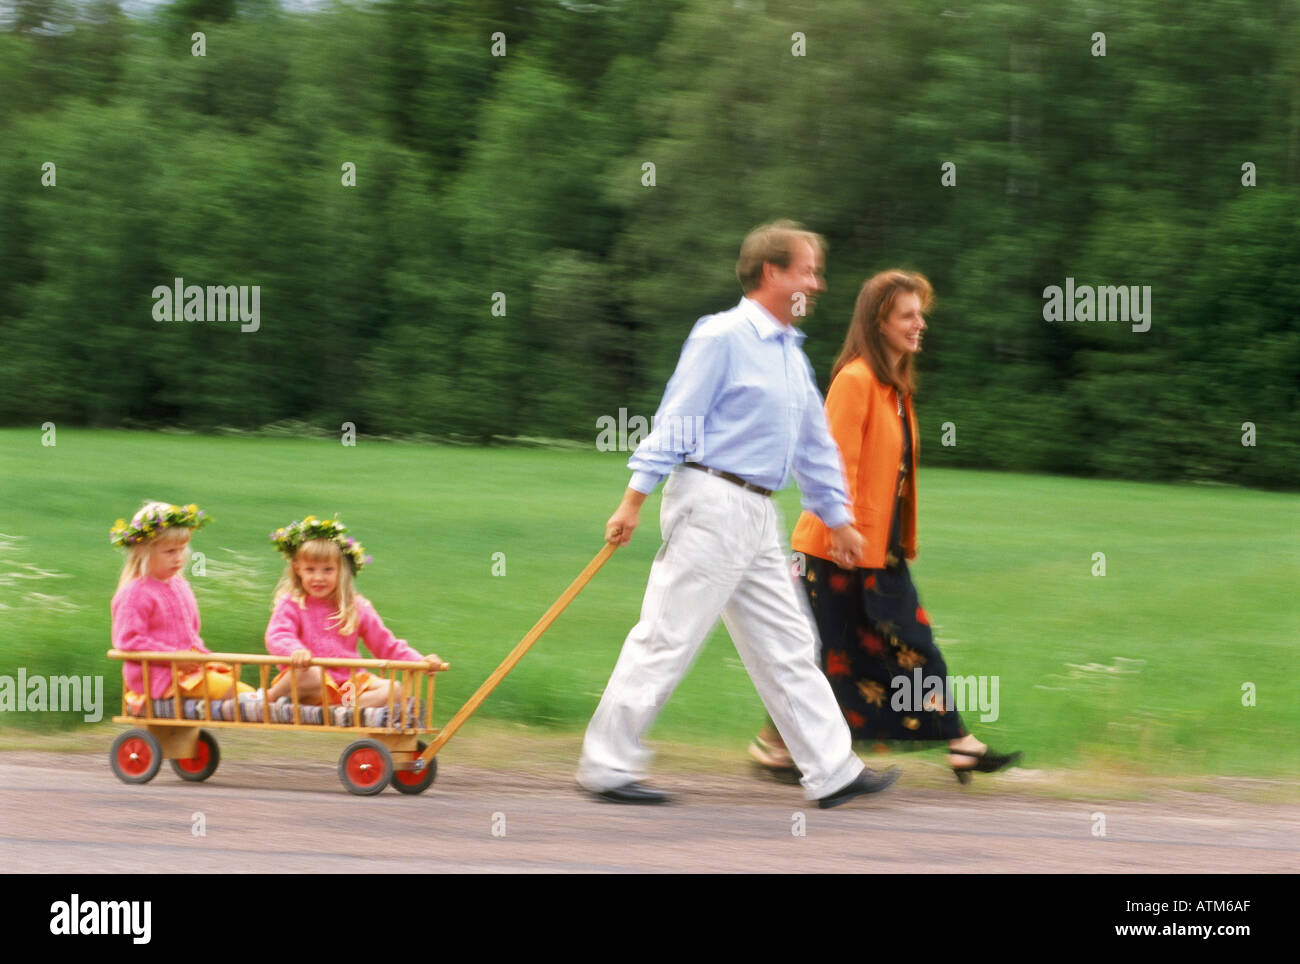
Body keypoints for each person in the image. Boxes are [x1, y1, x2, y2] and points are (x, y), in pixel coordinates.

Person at [576, 221, 901, 807]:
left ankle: (832, 771)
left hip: (757, 515)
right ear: (772, 272)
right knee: (668, 636)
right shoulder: (721, 336)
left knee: (789, 641)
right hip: (709, 503)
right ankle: (606, 766)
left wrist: (839, 518)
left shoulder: (790, 355)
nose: (818, 283)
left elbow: (814, 447)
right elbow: (678, 419)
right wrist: (634, 498)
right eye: (809, 270)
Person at [751, 270, 1021, 784]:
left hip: (881, 551)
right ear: (880, 322)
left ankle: (956, 741)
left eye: (921, 314)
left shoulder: (894, 387)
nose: (920, 324)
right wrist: (842, 529)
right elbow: (833, 464)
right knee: (829, 654)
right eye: (908, 315)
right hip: (838, 548)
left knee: (872, 648)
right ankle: (779, 746)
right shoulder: (854, 380)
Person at [265, 516, 443, 709]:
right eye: (310, 569)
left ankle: (342, 708)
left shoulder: (355, 606)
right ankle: (269, 697)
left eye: (328, 570)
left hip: (348, 685)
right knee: (310, 673)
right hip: (310, 687)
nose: (318, 577)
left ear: (341, 570)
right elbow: (277, 634)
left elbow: (385, 644)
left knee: (395, 689)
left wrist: (419, 661)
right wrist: (295, 650)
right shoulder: (292, 603)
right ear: (297, 569)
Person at [111, 501, 252, 715]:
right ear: (142, 549)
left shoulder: (179, 584)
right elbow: (128, 640)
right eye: (169, 551)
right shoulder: (136, 592)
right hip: (159, 676)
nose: (178, 557)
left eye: (182, 549)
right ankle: (261, 704)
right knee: (233, 692)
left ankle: (264, 702)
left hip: (187, 671)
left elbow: (190, 634)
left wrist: (202, 658)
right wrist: (176, 657)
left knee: (240, 688)